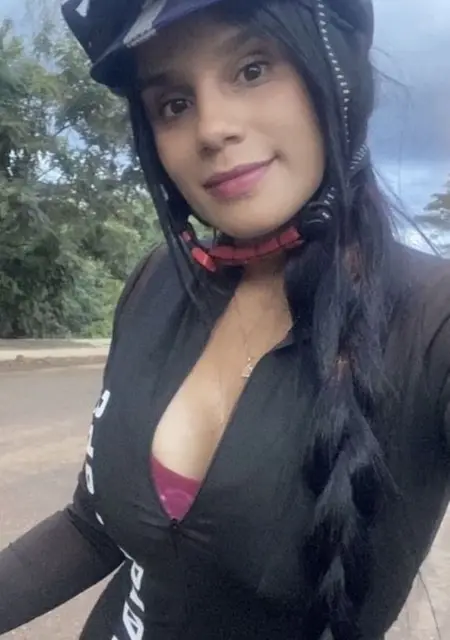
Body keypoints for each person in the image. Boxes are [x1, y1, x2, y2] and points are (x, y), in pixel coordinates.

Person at [1, 0, 450, 638]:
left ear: (334, 72)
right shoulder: (159, 279)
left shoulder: (432, 323)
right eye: (174, 104)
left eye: (252, 69)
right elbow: (91, 525)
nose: (211, 129)